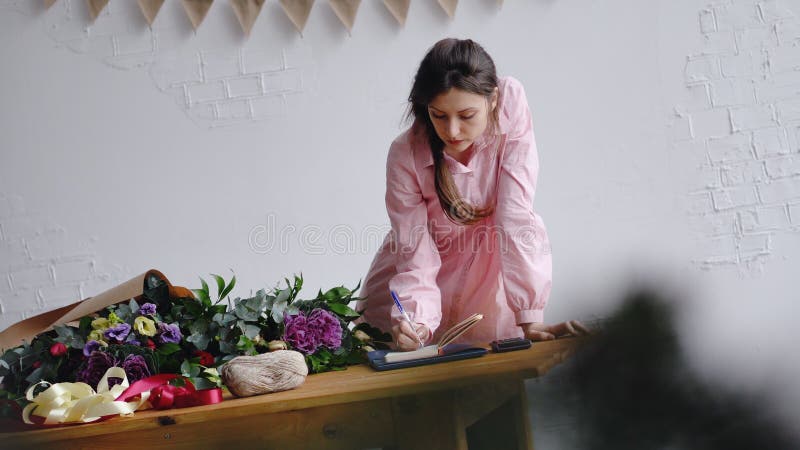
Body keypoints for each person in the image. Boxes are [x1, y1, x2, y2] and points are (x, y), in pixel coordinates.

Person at [356, 38, 587, 351]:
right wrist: (415, 320)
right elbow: (415, 252)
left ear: (492, 100)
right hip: (416, 291)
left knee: (492, 390)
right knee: (413, 391)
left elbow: (514, 214)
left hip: (486, 293)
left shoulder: (510, 107)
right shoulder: (405, 153)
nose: (452, 131)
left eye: (466, 116)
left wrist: (529, 315)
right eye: (439, 115)